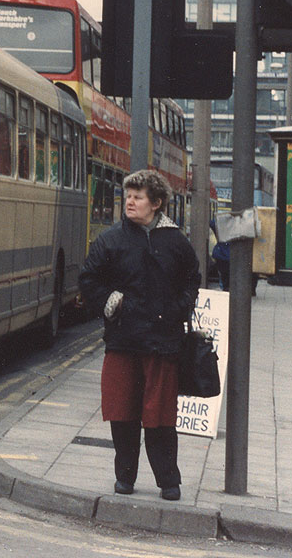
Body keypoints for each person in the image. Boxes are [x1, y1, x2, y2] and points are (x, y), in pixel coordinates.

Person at [78, 169, 200, 502]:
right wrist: (111, 301)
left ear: (156, 203)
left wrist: (178, 308)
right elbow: (88, 279)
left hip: (162, 343)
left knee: (160, 415)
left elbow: (192, 279)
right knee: (122, 411)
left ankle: (168, 481)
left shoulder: (176, 242)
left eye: (138, 196)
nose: (130, 202)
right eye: (128, 196)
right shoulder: (111, 239)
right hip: (123, 339)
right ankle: (125, 478)